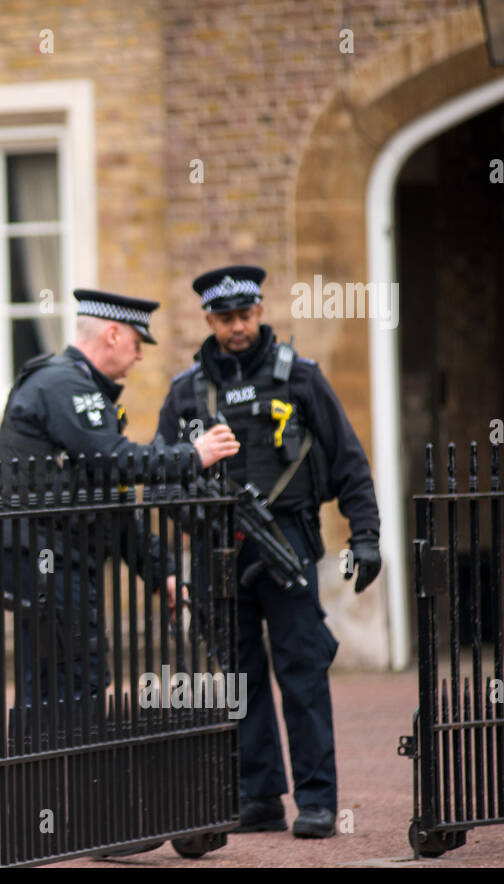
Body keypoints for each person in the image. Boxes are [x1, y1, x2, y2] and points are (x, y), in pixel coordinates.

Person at [155, 265, 381, 839]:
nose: (237, 327)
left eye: (246, 315)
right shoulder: (187, 391)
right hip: (218, 552)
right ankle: (257, 796)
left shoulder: (299, 377)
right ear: (209, 319)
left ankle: (317, 799)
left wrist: (365, 537)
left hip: (287, 542)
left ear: (259, 312)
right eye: (226, 318)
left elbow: (348, 457)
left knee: (302, 670)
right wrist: (198, 515)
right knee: (238, 677)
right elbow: (161, 476)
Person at [0, 288, 239, 711]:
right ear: (113, 334)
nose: (139, 356)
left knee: (62, 679)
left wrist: (162, 573)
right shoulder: (63, 384)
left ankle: (49, 771)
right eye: (138, 343)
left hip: (59, 551)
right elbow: (116, 462)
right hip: (44, 553)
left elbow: (112, 500)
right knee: (69, 679)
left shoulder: (80, 388)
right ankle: (55, 773)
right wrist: (192, 455)